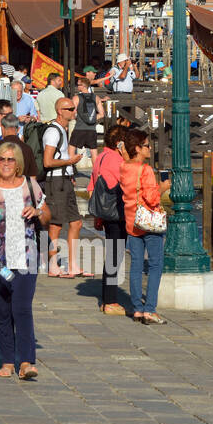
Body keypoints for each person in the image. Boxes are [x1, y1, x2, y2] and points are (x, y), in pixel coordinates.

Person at [0, 141, 44, 380]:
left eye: (10, 160)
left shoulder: (30, 186)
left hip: (26, 257)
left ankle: (26, 362)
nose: (5, 163)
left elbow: (48, 213)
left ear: (18, 164)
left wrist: (38, 212)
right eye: (1, 159)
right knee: (2, 310)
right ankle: (7, 361)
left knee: (22, 308)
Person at [121, 129, 170, 324]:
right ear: (137, 148)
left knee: (136, 265)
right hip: (149, 222)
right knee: (156, 264)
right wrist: (164, 187)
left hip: (132, 222)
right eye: (147, 146)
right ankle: (150, 309)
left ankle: (137, 309)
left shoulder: (124, 168)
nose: (150, 148)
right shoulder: (146, 169)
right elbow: (151, 198)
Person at [88, 124, 129, 315]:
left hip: (104, 212)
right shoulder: (117, 160)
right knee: (115, 256)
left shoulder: (101, 158)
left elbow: (92, 186)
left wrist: (97, 216)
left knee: (113, 255)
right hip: (117, 213)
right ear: (120, 143)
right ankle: (110, 300)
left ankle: (107, 299)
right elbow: (128, 180)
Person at [42, 96, 84, 278]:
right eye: (70, 109)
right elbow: (47, 161)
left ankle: (73, 265)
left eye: (74, 108)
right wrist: (70, 161)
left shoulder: (63, 130)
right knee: (56, 224)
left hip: (65, 180)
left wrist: (70, 172)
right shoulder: (53, 132)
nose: (74, 111)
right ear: (60, 111)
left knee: (76, 222)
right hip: (56, 182)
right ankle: (53, 264)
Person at [0, 114, 40, 181]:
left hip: (0, 188)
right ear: (18, 128)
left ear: (2, 127)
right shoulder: (27, 149)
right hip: (22, 188)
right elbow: (33, 176)